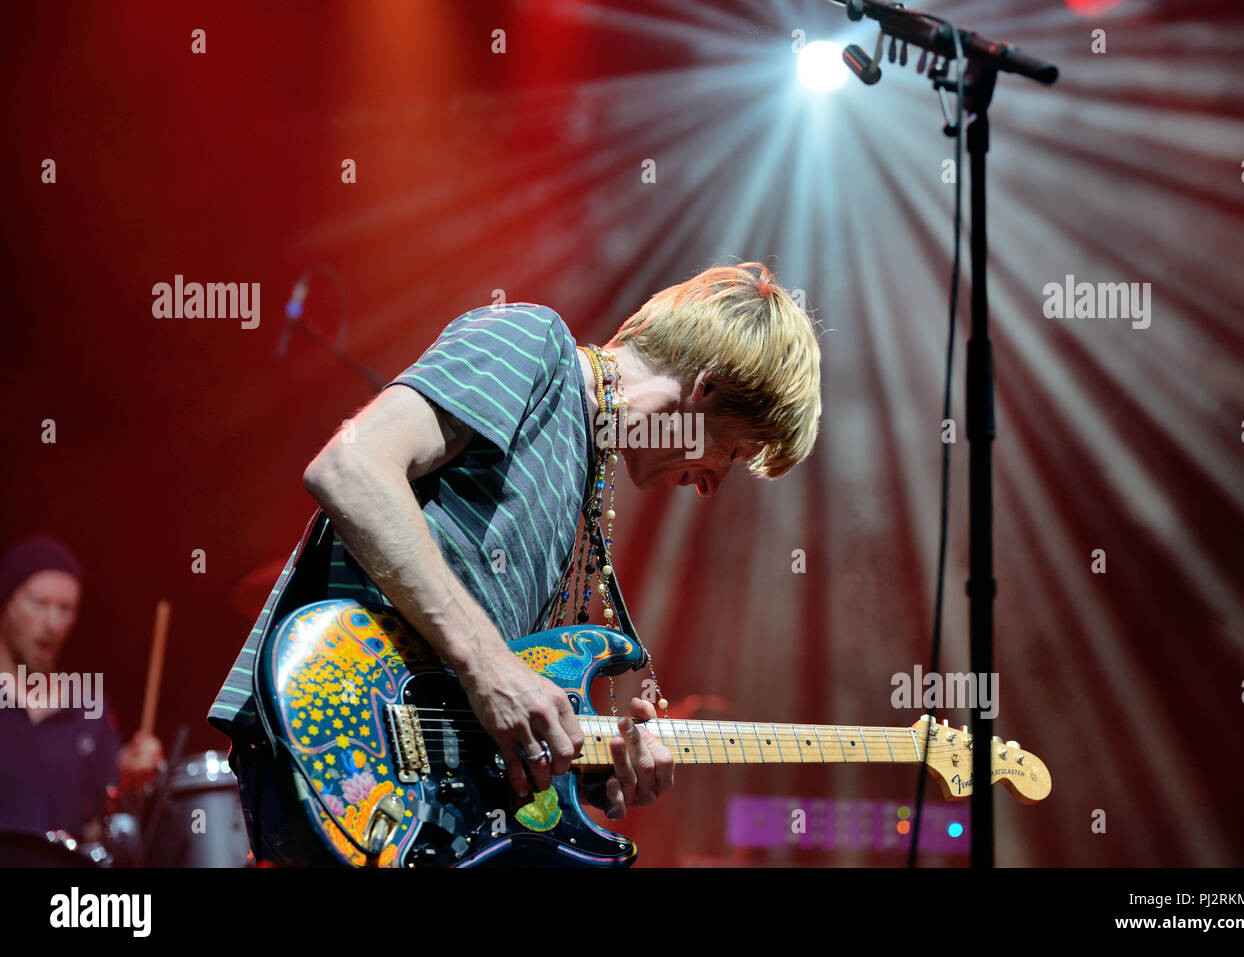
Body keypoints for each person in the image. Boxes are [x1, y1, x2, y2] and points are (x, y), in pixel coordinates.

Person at [207, 261, 822, 863]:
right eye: (732, 452)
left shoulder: (586, 480)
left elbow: (479, 714)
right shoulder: (535, 343)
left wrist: (584, 769)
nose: (713, 484)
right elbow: (350, 468)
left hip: (412, 813)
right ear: (705, 387)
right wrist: (491, 664)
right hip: (339, 729)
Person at [0, 536, 164, 846]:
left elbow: (105, 827)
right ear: (6, 603)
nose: (53, 623)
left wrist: (130, 782)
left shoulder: (87, 706)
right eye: (39, 603)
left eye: (66, 609)